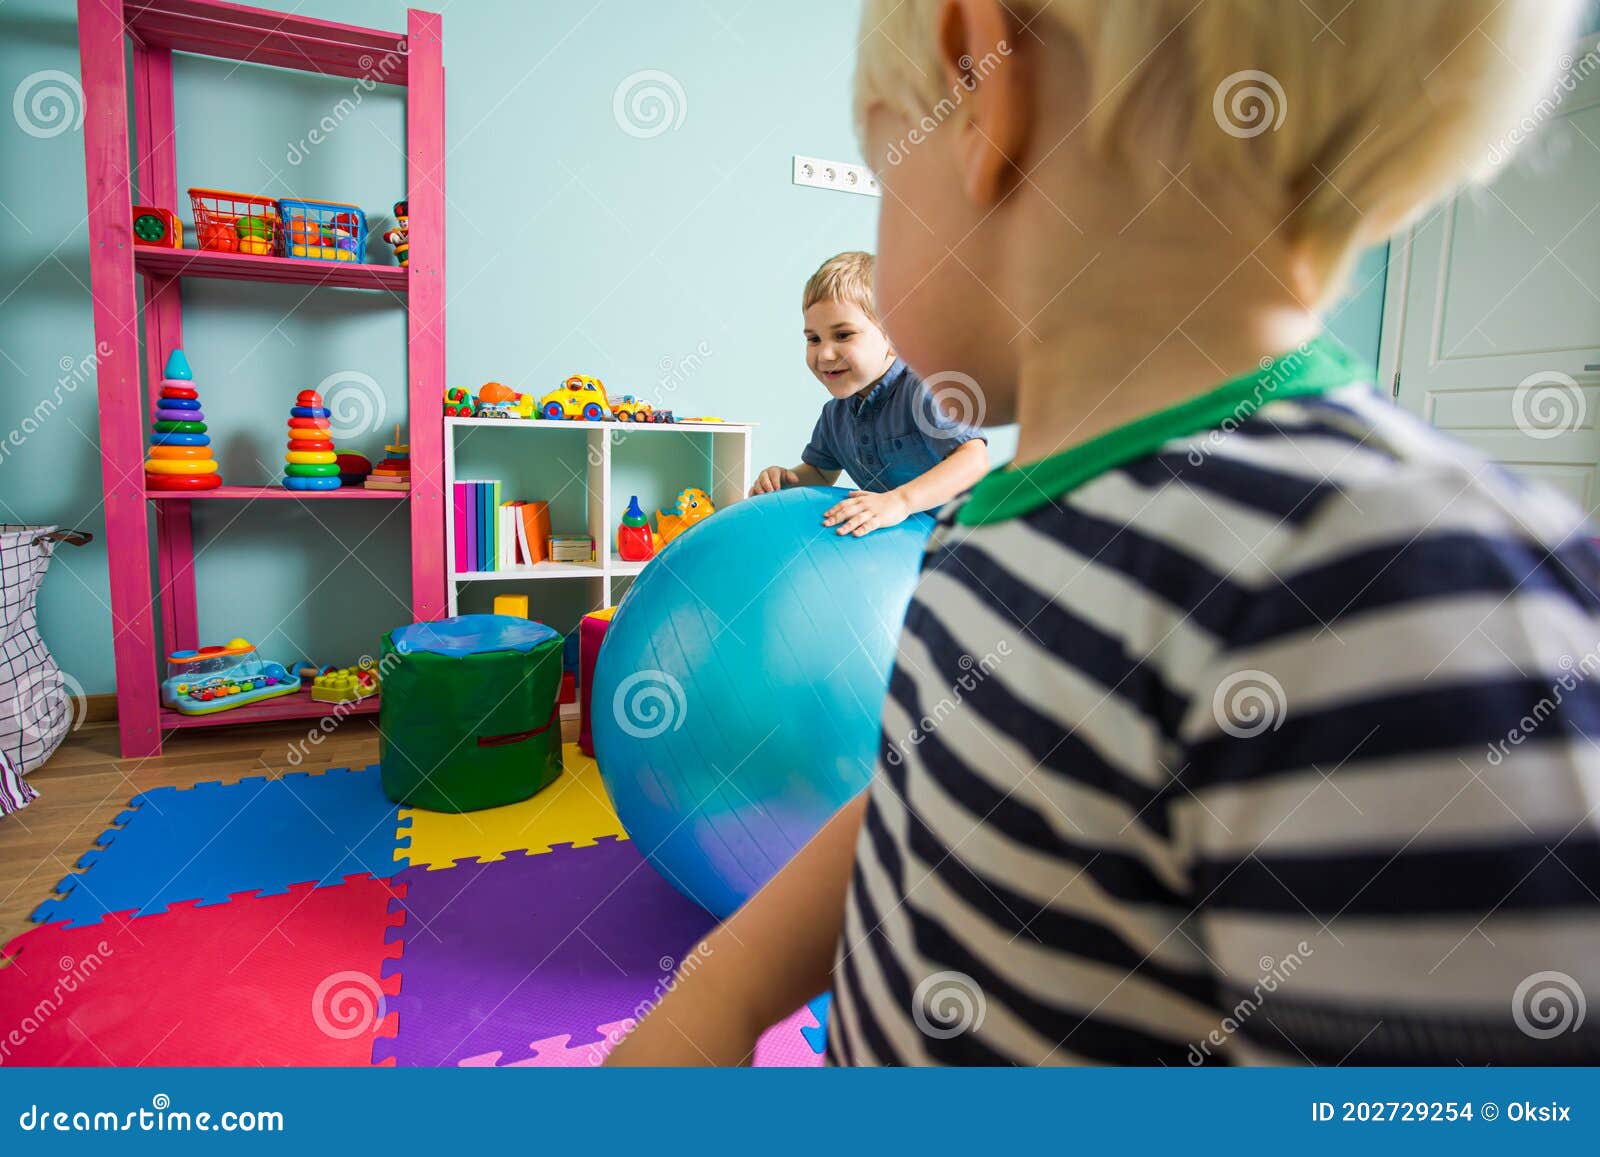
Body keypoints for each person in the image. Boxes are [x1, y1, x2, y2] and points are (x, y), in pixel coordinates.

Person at [613, 0, 1599, 1065]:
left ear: (980, 87)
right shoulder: (992, 516)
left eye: (882, 163)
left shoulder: (1405, 586)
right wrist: (718, 995)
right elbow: (919, 793)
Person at [749, 250, 989, 536]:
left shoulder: (923, 388)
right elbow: (821, 473)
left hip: (972, 541)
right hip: (907, 552)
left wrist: (900, 501)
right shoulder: (835, 414)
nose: (825, 354)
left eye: (843, 335)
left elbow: (974, 461)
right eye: (813, 339)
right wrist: (786, 480)